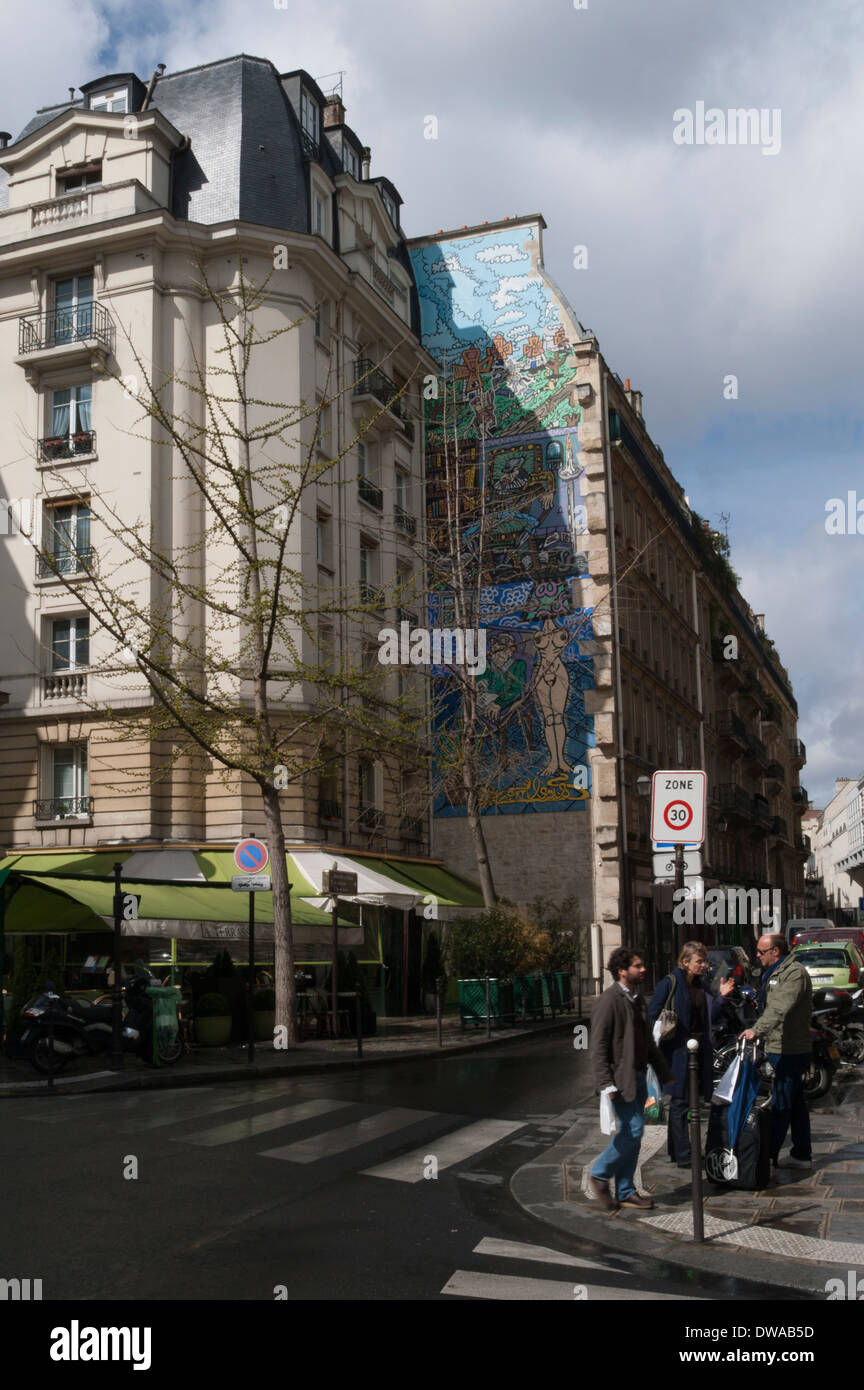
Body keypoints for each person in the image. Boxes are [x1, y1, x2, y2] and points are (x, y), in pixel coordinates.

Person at [588, 947, 673, 1211]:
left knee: (633, 1134)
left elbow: (647, 1042)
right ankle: (600, 1174)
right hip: (619, 1080)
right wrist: (606, 1082)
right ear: (622, 971)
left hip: (637, 1075)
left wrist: (665, 1074)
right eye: (637, 966)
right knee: (634, 1129)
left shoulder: (637, 999)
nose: (643, 969)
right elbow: (598, 1045)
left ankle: (625, 1190)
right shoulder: (609, 1000)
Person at [648, 942, 736, 1166]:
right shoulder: (670, 983)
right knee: (680, 1102)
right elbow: (651, 1014)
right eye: (699, 961)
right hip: (676, 1050)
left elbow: (710, 1017)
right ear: (684, 962)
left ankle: (676, 1150)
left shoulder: (701, 985)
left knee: (687, 1101)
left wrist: (722, 997)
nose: (703, 965)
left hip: (698, 1050)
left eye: (704, 961)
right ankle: (685, 1155)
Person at [740, 932, 813, 1169]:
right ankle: (802, 1154)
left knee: (781, 1102)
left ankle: (767, 1158)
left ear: (776, 952)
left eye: (761, 951)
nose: (757, 955)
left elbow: (780, 1008)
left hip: (789, 1048)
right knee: (796, 1102)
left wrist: (756, 1030)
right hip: (779, 1044)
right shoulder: (774, 973)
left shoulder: (793, 973)